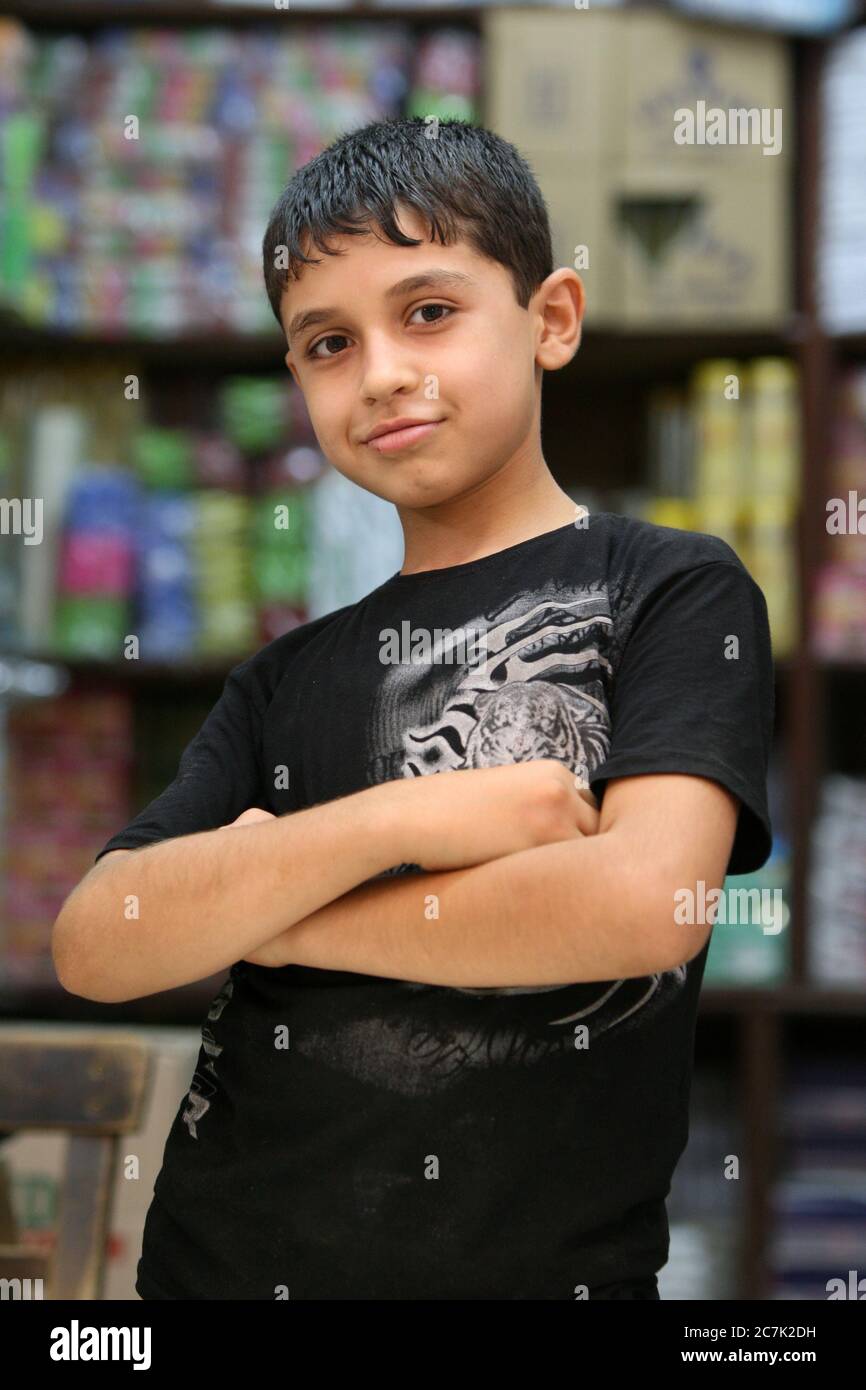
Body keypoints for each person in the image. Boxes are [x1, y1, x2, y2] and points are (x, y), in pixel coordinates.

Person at [52, 117, 774, 1301]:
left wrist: (276, 912)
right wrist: (405, 821)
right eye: (327, 342)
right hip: (218, 1272)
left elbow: (646, 903)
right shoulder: (282, 679)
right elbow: (98, 940)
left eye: (427, 311)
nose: (380, 370)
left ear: (549, 318)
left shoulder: (669, 590)